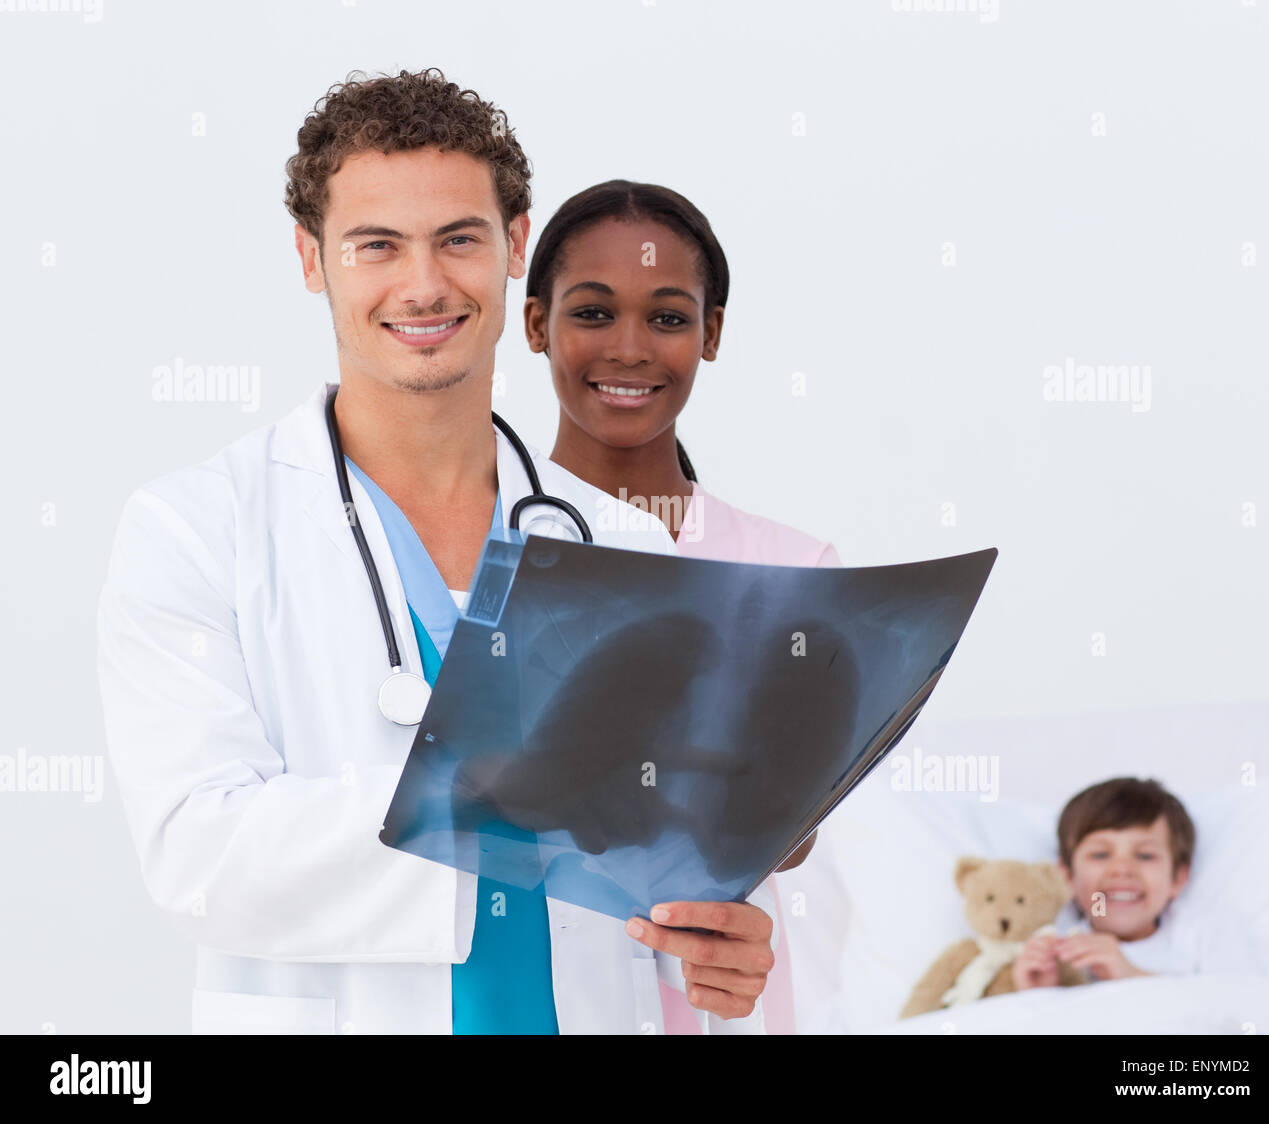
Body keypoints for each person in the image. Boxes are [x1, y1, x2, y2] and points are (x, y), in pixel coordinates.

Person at [96, 69, 778, 1035]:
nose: (423, 285)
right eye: (377, 245)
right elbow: (197, 856)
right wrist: (489, 792)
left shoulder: (618, 537)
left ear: (515, 246)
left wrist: (717, 939)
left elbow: (651, 844)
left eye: (459, 238)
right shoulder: (197, 529)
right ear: (310, 258)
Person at [522, 180, 842, 1032]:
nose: (629, 348)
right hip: (516, 984)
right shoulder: (480, 553)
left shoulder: (791, 571)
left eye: (667, 318)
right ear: (533, 324)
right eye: (592, 313)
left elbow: (793, 831)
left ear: (711, 334)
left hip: (713, 997)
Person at [1012, 777, 1252, 987]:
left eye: (1145, 855)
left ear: (1178, 878)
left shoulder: (1202, 937)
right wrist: (1039, 995)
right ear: (1067, 876)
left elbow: (1241, 1006)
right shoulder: (1052, 943)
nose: (1122, 869)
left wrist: (1132, 977)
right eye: (1100, 854)